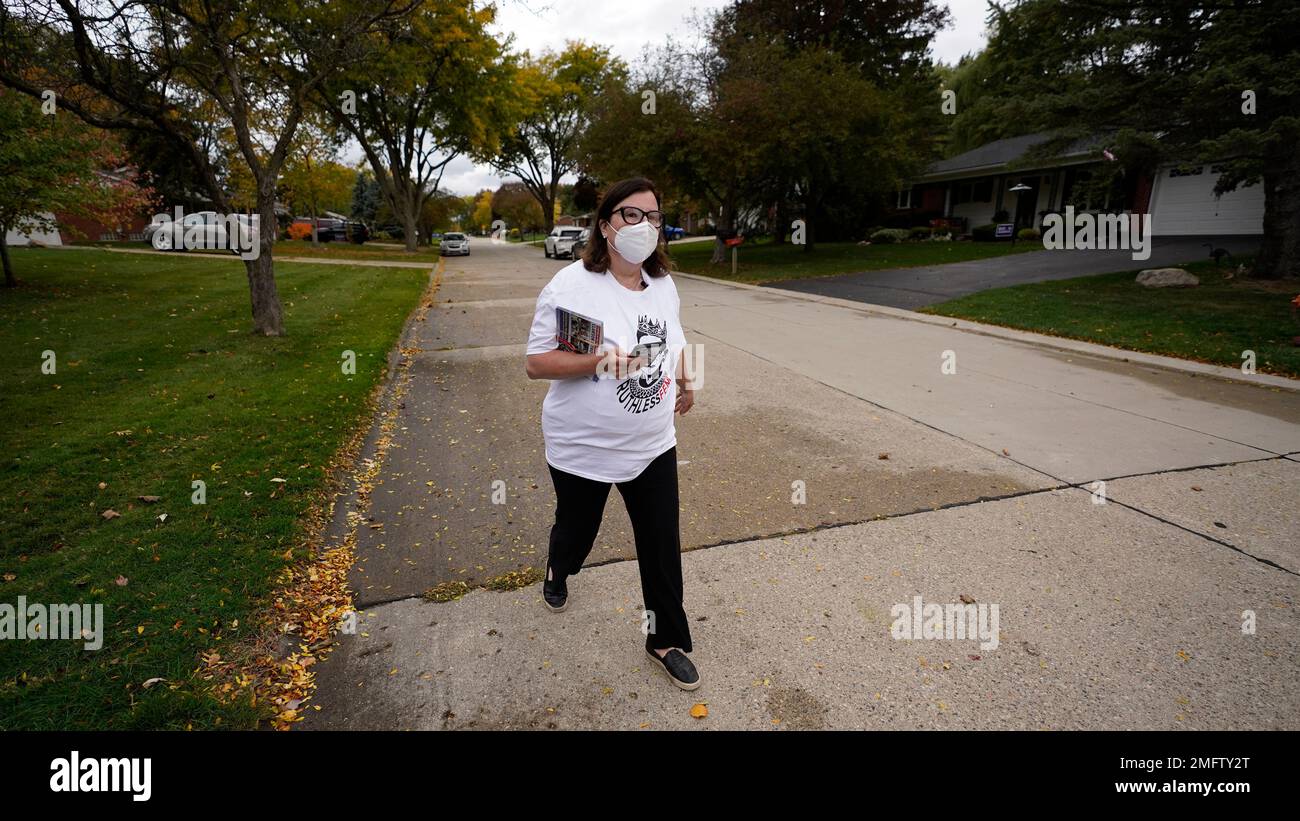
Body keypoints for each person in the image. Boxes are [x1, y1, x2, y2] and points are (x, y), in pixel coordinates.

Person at [524, 177, 700, 690]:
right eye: (630, 214)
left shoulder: (663, 285)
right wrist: (601, 360)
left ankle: (665, 639)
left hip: (652, 445)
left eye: (652, 216)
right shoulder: (571, 286)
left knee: (662, 540)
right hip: (583, 449)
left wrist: (687, 380)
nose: (643, 225)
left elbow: (676, 341)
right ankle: (559, 568)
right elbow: (537, 364)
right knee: (578, 531)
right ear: (604, 225)